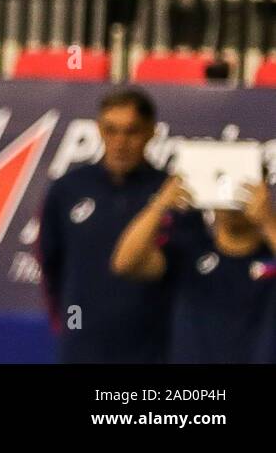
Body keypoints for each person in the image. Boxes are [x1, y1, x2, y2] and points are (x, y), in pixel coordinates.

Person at [37, 88, 170, 363]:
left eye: (131, 131)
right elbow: (49, 260)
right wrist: (66, 322)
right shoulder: (68, 188)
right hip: (82, 344)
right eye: (111, 130)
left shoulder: (170, 194)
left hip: (152, 347)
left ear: (151, 132)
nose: (120, 141)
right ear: (99, 130)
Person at [112, 171, 276, 363]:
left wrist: (267, 222)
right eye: (224, 184)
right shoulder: (190, 251)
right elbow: (125, 263)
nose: (233, 196)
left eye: (245, 187)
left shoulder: (271, 253)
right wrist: (160, 204)